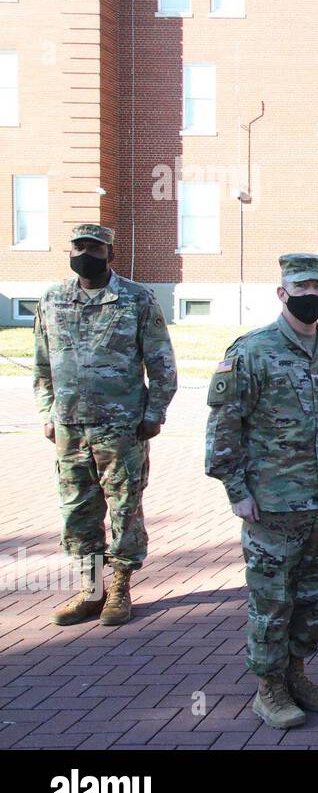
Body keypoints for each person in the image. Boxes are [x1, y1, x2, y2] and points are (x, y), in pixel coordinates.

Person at [205, 253, 318, 730]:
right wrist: (235, 489)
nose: (312, 295)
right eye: (301, 286)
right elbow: (224, 425)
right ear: (282, 292)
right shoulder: (252, 350)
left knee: (315, 595)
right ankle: (268, 689)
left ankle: (296, 674)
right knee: (272, 599)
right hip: (273, 502)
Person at [35, 224, 177, 628]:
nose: (85, 254)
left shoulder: (136, 298)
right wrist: (47, 411)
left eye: (94, 248)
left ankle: (120, 588)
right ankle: (90, 590)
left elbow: (161, 363)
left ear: (110, 254)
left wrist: (154, 413)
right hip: (70, 427)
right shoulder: (53, 298)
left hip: (122, 428)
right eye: (78, 247)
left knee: (124, 508)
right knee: (78, 509)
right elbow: (42, 363)